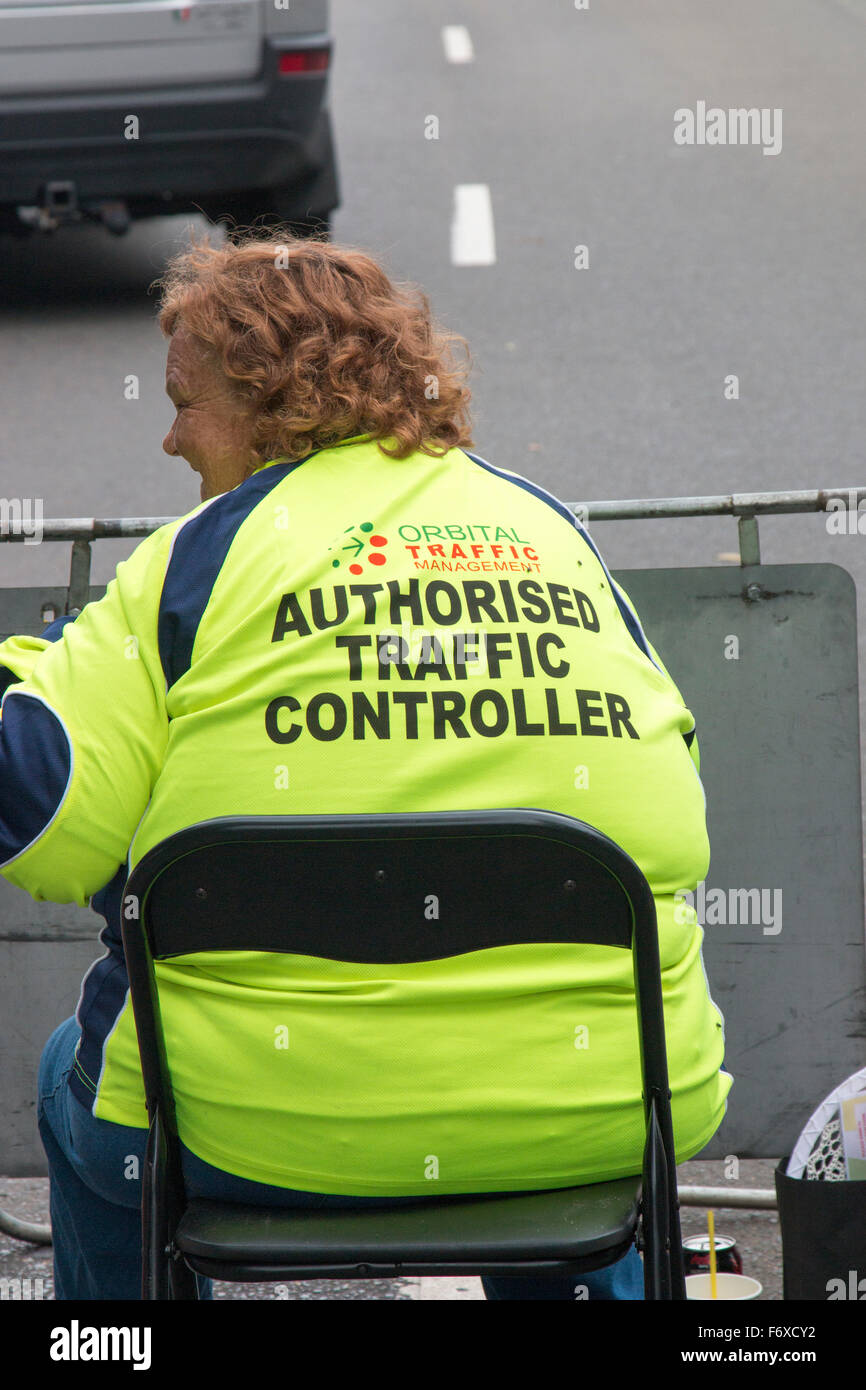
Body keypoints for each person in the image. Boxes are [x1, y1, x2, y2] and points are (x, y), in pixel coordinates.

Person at [0, 232, 731, 1301]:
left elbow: (50, 825)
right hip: (600, 1112)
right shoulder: (547, 528)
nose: (169, 439)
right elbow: (673, 784)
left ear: (270, 402)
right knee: (569, 1146)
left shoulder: (194, 565)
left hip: (249, 1130)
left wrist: (39, 671)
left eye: (185, 403)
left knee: (75, 1079)